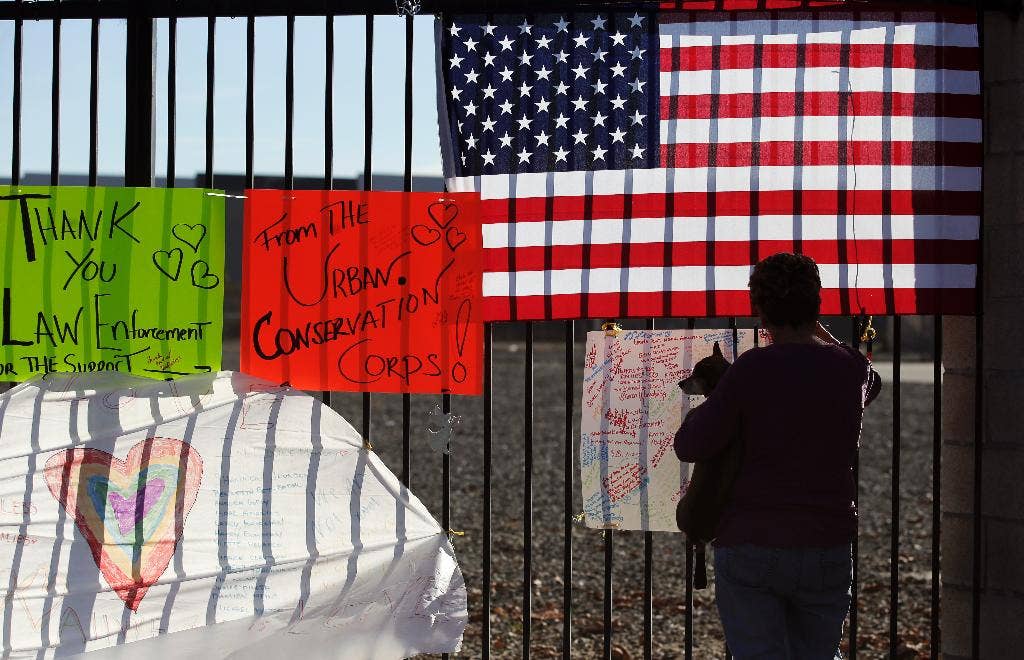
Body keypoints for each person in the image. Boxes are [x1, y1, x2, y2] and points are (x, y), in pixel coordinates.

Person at [674, 253, 881, 660]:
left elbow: (691, 444)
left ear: (760, 310)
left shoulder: (751, 370)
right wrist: (824, 334)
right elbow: (871, 383)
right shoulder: (848, 367)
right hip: (827, 541)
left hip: (753, 541)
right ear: (816, 305)